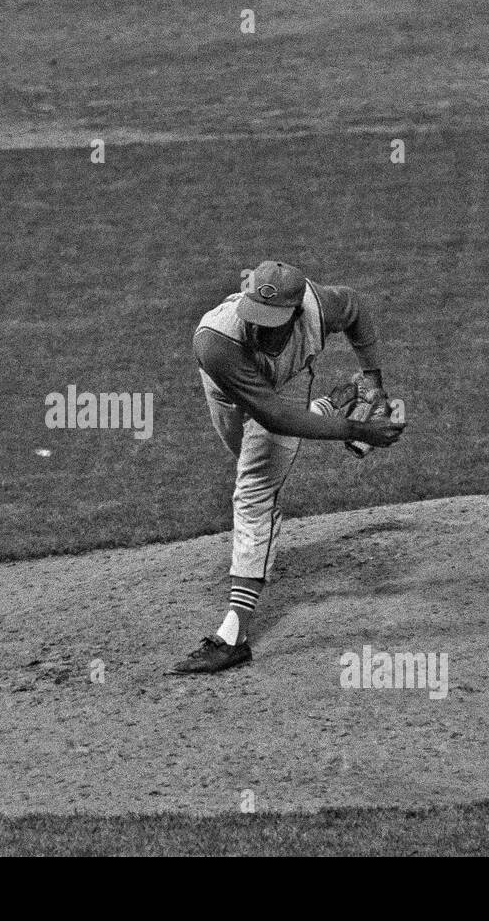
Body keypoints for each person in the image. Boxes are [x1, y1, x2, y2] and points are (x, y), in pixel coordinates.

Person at [171, 260, 406, 675]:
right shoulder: (216, 341)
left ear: (297, 313)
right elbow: (274, 416)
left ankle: (233, 636)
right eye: (256, 317)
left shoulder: (320, 307)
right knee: (253, 457)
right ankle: (331, 404)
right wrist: (357, 429)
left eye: (273, 320)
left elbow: (356, 308)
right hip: (232, 389)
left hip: (289, 385)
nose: (261, 328)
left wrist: (374, 381)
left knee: (254, 493)